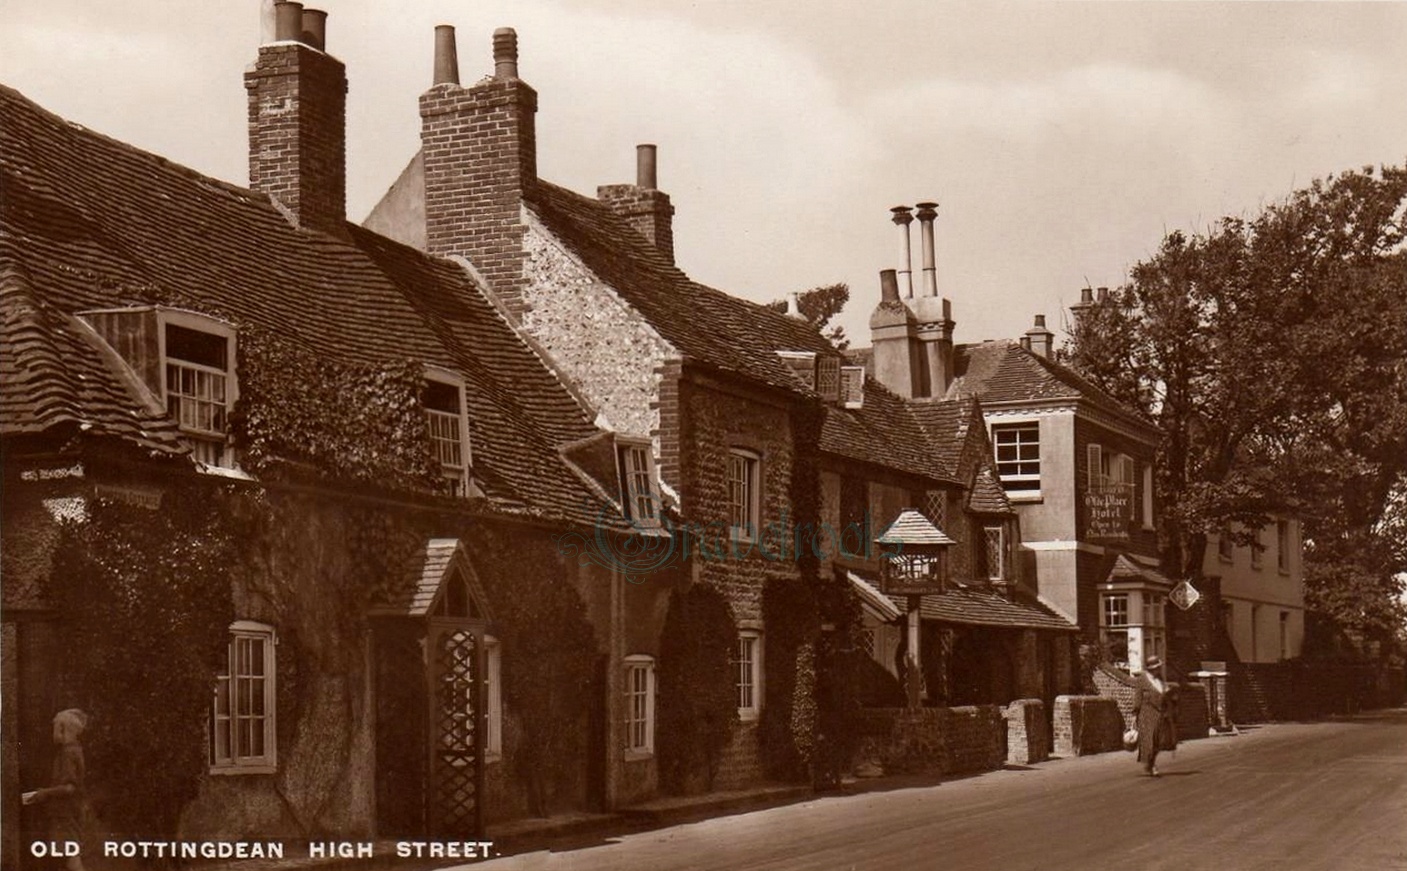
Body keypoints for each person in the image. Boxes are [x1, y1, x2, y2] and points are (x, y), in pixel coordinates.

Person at [22, 708, 90, 871]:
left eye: (57, 727)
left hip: (65, 813)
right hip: (66, 812)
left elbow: (69, 788)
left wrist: (44, 793)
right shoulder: (74, 750)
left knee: (72, 858)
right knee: (69, 857)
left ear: (63, 728)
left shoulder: (67, 753)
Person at [1129, 656, 1178, 777]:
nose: (1159, 669)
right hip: (1146, 713)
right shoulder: (1142, 680)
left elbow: (1163, 694)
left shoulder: (1160, 679)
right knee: (1149, 740)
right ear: (1151, 669)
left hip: (1159, 713)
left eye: (1159, 667)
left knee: (1158, 741)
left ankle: (1151, 763)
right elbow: (1138, 697)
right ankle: (1151, 765)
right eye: (1156, 668)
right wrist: (1135, 714)